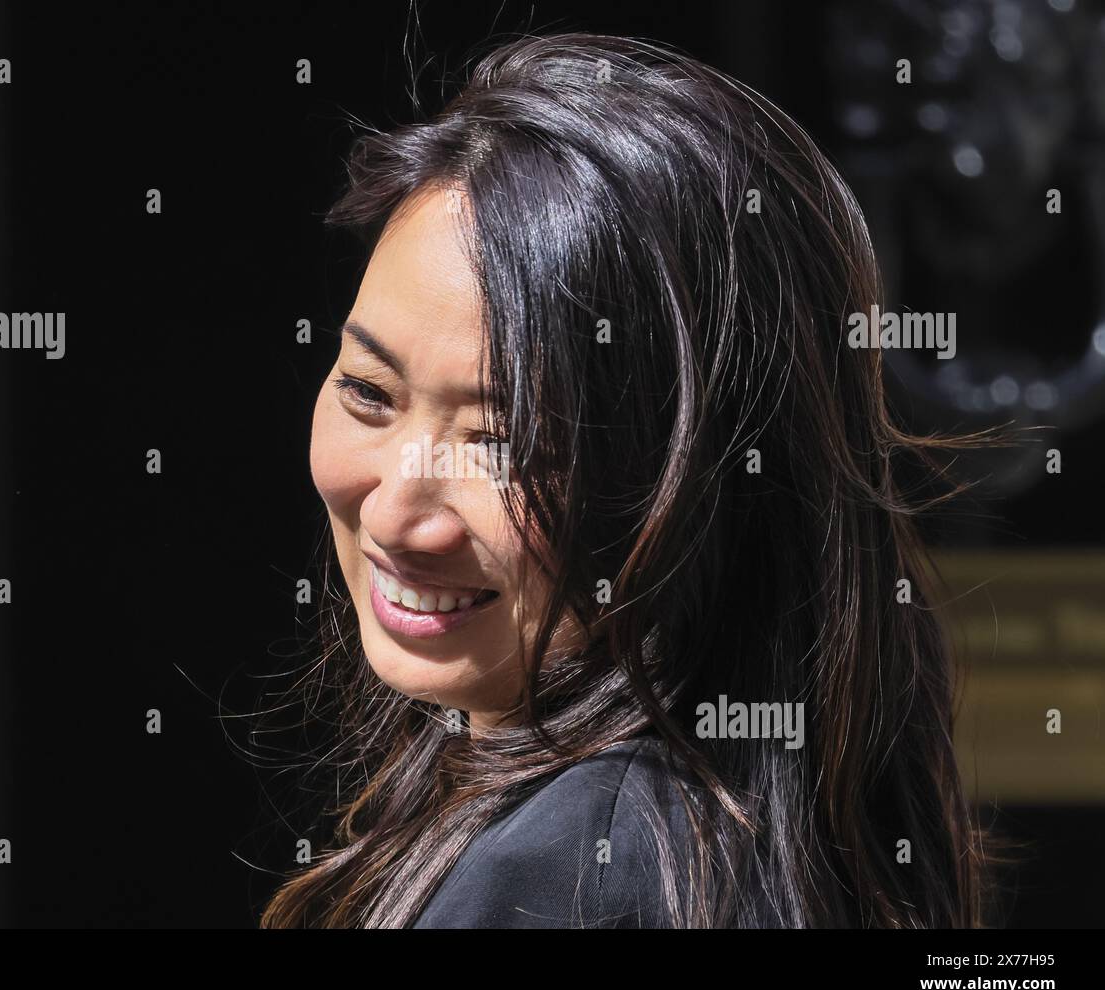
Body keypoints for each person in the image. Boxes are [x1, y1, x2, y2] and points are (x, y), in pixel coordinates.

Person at [259, 31, 998, 928]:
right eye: (369, 393)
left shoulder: (574, 873)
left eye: (511, 443)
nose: (400, 515)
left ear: (704, 480)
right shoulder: (734, 828)